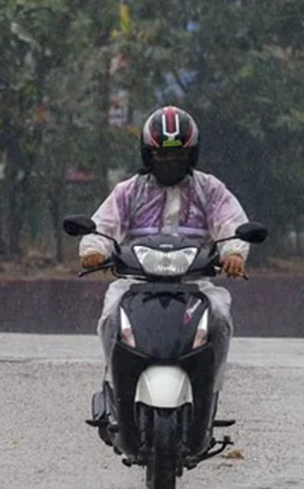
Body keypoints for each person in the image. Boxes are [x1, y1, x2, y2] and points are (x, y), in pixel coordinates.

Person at [78, 105, 250, 392]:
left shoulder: (210, 190)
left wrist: (234, 254)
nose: (170, 161)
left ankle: (210, 390)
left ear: (191, 155)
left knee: (219, 316)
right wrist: (94, 251)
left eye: (178, 155)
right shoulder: (129, 192)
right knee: (110, 314)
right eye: (162, 155)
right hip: (136, 284)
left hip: (195, 284)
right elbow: (103, 227)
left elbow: (232, 224)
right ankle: (116, 385)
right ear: (148, 155)